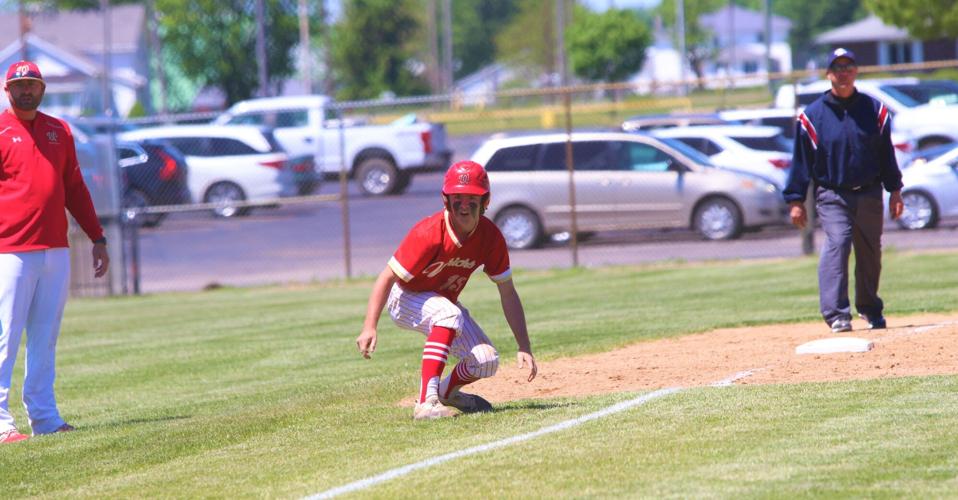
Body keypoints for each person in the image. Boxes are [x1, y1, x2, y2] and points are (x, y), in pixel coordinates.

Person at [356, 160, 537, 420]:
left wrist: (524, 345)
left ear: (485, 201)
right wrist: (369, 325)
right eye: (457, 197)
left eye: (471, 197)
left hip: (442, 302)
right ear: (446, 200)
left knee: (486, 360)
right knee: (448, 314)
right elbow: (386, 277)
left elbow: (507, 291)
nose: (464, 205)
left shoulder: (491, 237)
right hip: (405, 297)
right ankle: (425, 402)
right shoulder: (429, 232)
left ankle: (447, 393)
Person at [0, 61, 109, 444]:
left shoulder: (59, 130)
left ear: (42, 89)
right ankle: (0, 422)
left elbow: (75, 187)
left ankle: (45, 417)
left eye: (32, 84)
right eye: (19, 85)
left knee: (45, 337)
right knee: (5, 336)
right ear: (6, 89)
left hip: (55, 249)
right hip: (9, 250)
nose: (25, 90)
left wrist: (97, 237)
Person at [783, 48, 904, 333]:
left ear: (856, 71)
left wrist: (895, 190)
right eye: (837, 68)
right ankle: (837, 314)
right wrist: (796, 199)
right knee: (838, 244)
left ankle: (870, 308)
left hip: (870, 192)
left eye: (848, 67)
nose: (843, 73)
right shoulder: (812, 117)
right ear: (828, 74)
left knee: (870, 252)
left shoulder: (875, 110)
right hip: (832, 194)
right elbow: (801, 162)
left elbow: (886, 154)